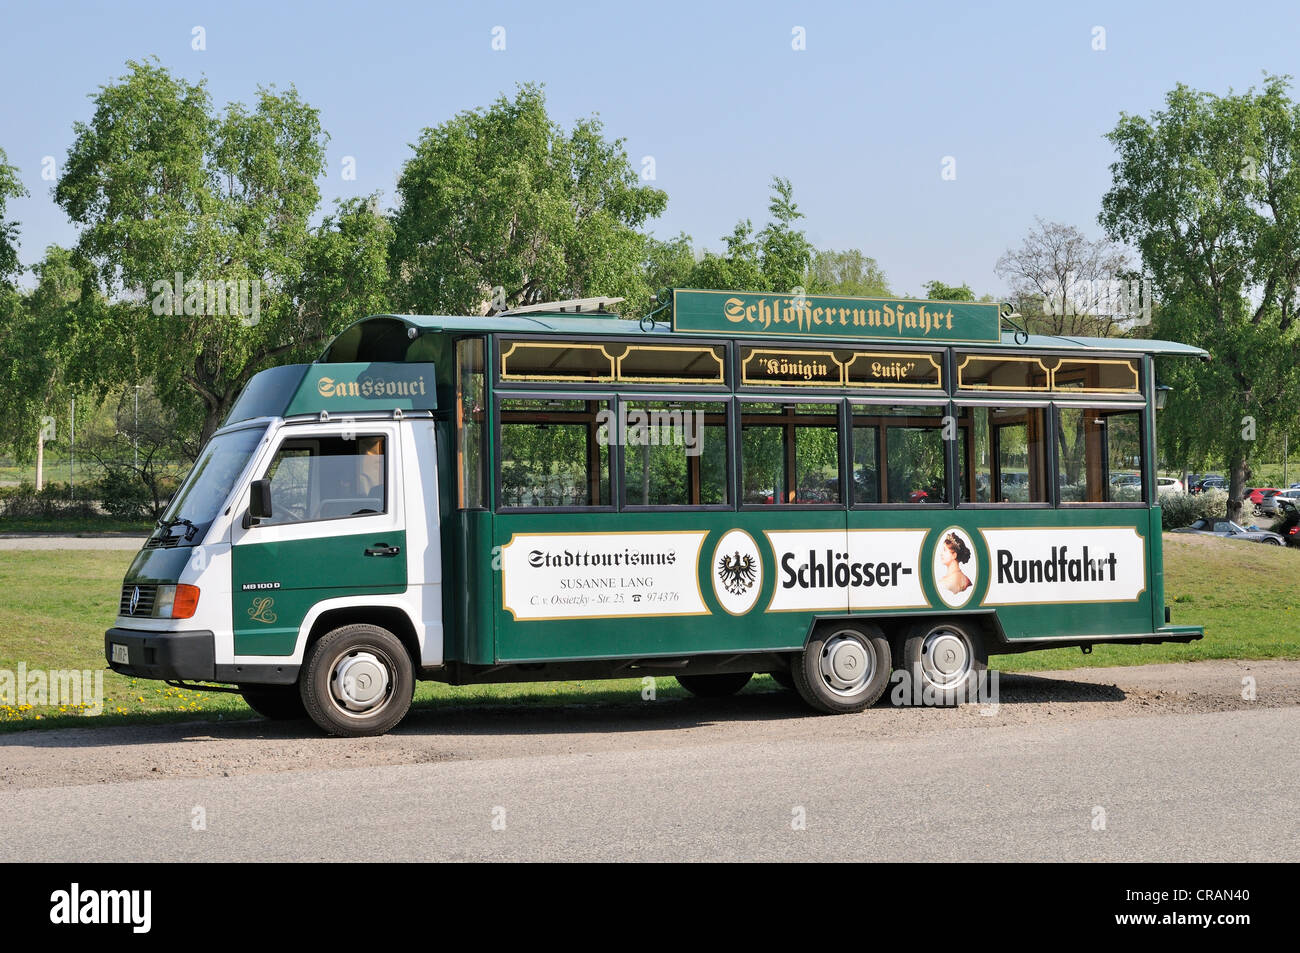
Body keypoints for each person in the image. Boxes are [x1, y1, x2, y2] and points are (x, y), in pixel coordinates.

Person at [938, 531, 972, 596]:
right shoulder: (964, 578)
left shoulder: (945, 583)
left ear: (954, 555)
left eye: (945, 550)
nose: (941, 554)